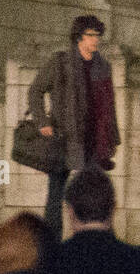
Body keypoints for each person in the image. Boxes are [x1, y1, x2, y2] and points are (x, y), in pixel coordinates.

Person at [29, 14, 121, 237]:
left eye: (97, 35)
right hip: (64, 137)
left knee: (96, 193)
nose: (95, 40)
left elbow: (109, 103)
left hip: (94, 137)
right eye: (90, 35)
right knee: (56, 194)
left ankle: (98, 241)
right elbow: (35, 91)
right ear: (79, 37)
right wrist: (42, 122)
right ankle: (53, 244)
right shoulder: (61, 62)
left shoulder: (102, 66)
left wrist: (112, 136)